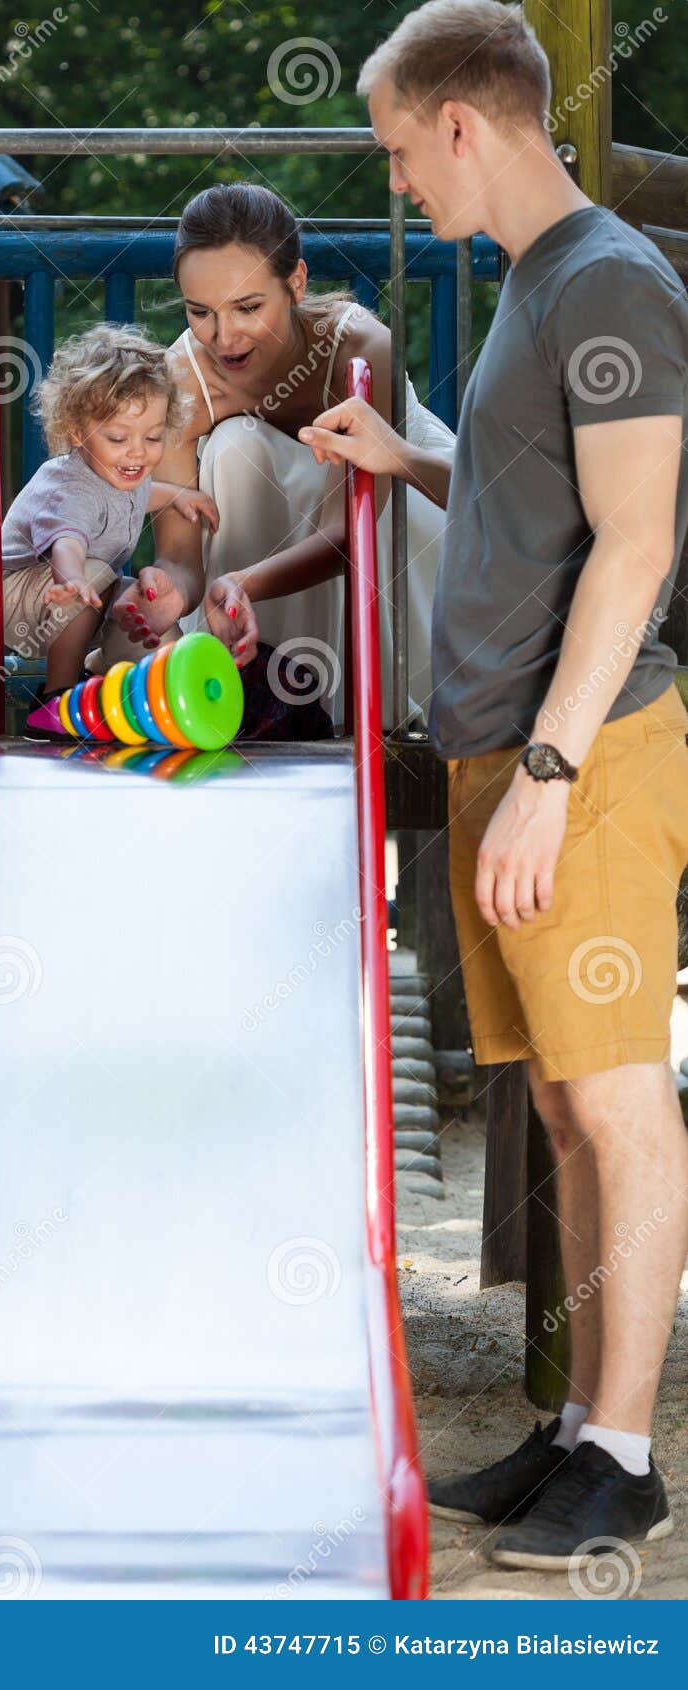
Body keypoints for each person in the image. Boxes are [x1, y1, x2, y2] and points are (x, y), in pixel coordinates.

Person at [307, 0, 688, 1571]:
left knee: (615, 1098)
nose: (399, 181)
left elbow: (639, 537)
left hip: (577, 758)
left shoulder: (608, 281)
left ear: (462, 123)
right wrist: (411, 466)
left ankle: (626, 1456)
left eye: (398, 149)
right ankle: (573, 1430)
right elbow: (542, 502)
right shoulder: (537, 284)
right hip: (499, 754)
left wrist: (546, 767)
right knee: (554, 1099)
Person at [106, 182, 455, 730]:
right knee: (235, 447)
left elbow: (349, 531)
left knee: (326, 475)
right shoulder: (179, 382)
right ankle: (268, 706)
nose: (224, 337)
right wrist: (173, 591)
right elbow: (181, 554)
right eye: (201, 312)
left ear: (295, 282)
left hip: (396, 508)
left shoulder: (360, 349)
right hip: (268, 534)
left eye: (247, 307)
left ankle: (366, 711)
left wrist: (246, 584)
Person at [0, 324, 253, 739]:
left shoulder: (122, 472)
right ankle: (56, 697)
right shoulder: (69, 487)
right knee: (98, 575)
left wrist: (176, 496)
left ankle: (165, 687)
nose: (138, 450)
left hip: (59, 600)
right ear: (76, 431)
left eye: (154, 436)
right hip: (1, 598)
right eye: (119, 437)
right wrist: (70, 579)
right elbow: (66, 539)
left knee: (135, 604)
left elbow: (141, 494)